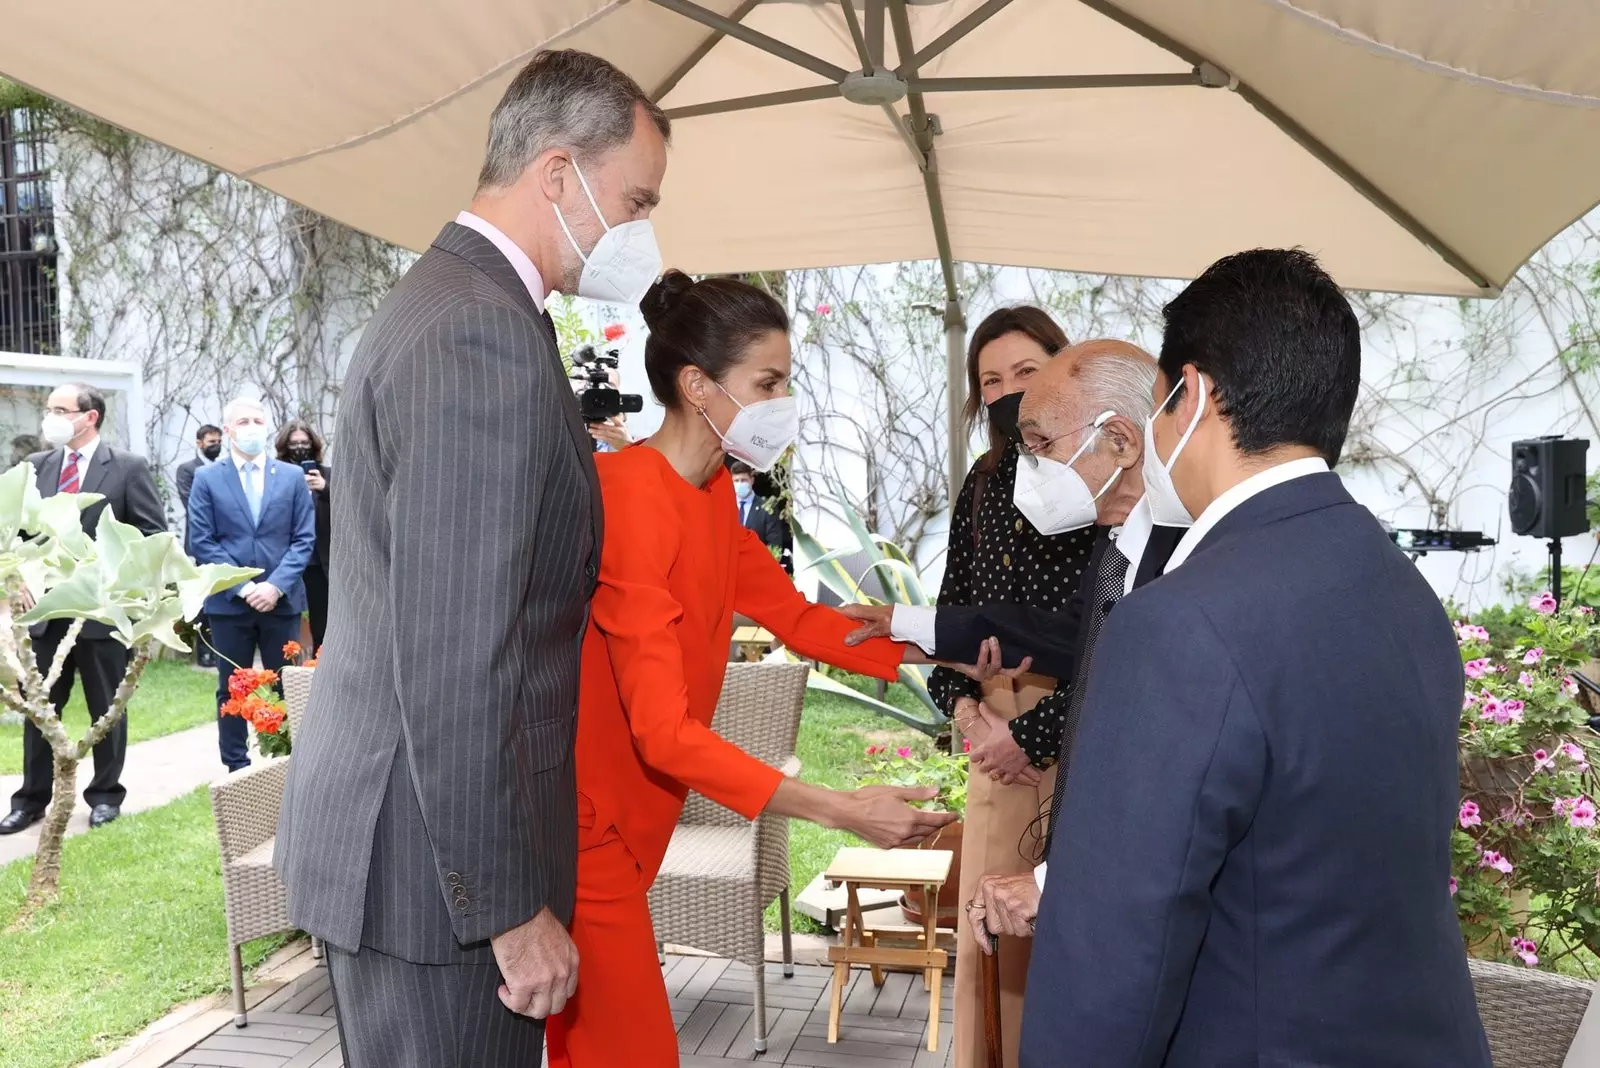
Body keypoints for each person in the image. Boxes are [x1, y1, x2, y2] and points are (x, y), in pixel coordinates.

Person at [275, 50, 668, 1068]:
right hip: (435, 879)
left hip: (411, 850)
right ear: (555, 173)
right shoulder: (475, 336)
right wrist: (503, 909)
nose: (641, 231)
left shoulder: (470, 307)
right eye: (633, 200)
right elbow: (456, 653)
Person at [1019, 250, 1490, 1067]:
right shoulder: (1403, 592)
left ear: (1193, 395)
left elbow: (1114, 952)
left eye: (1163, 402)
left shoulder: (1178, 623)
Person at [546, 271, 954, 1068]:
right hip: (585, 831)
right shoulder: (629, 495)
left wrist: (944, 641)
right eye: (768, 383)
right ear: (698, 385)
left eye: (784, 382)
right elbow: (664, 734)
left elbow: (799, 620)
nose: (784, 402)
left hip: (635, 830)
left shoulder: (708, 493)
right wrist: (843, 810)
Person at [845, 339, 1182, 1065]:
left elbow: (1134, 707)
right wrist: (912, 629)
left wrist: (1033, 737)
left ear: (1118, 438)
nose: (1027, 461)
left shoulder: (1177, 549)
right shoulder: (1111, 536)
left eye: (1038, 439)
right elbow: (1048, 636)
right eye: (990, 384)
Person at [890, 305, 1098, 1068]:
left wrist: (1032, 736)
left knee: (1061, 933)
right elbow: (953, 615)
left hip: (1080, 732)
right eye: (991, 380)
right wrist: (970, 713)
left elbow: (1109, 641)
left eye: (1027, 373)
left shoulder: (1095, 483)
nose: (1010, 392)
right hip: (991, 744)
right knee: (988, 933)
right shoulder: (982, 482)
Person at [1, 383, 165, 835]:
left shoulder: (128, 468)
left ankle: (106, 797)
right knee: (40, 710)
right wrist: (22, 581)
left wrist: (123, 590)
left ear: (89, 416)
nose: (50, 417)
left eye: (60, 409)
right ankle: (30, 799)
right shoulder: (36, 466)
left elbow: (151, 535)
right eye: (49, 408)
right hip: (48, 613)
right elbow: (17, 533)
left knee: (105, 707)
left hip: (101, 613)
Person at [187, 398, 316, 773]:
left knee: (283, 685)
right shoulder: (207, 478)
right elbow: (203, 542)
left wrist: (274, 586)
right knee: (231, 688)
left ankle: (288, 764)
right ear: (227, 430)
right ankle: (237, 767)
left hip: (282, 600)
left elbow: (303, 540)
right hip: (230, 605)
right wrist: (243, 587)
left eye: (258, 420)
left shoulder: (291, 478)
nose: (252, 427)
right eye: (243, 421)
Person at [276, 420, 331, 651]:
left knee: (323, 618)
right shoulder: (278, 474)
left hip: (319, 559)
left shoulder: (327, 474)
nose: (300, 448)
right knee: (286, 616)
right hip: (287, 557)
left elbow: (350, 508)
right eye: (294, 443)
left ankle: (320, 661)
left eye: (305, 443)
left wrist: (325, 487)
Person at [177, 423, 224, 668]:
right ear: (199, 443)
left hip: (225, 542)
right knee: (203, 598)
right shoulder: (187, 470)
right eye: (211, 442)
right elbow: (191, 504)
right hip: (200, 543)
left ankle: (220, 649)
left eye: (218, 442)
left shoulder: (226, 470)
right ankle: (204, 651)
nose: (215, 446)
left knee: (221, 593)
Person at [730, 459, 787, 559]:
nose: (740, 484)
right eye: (736, 481)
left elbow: (774, 545)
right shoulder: (725, 508)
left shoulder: (767, 508)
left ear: (752, 480)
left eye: (743, 480)